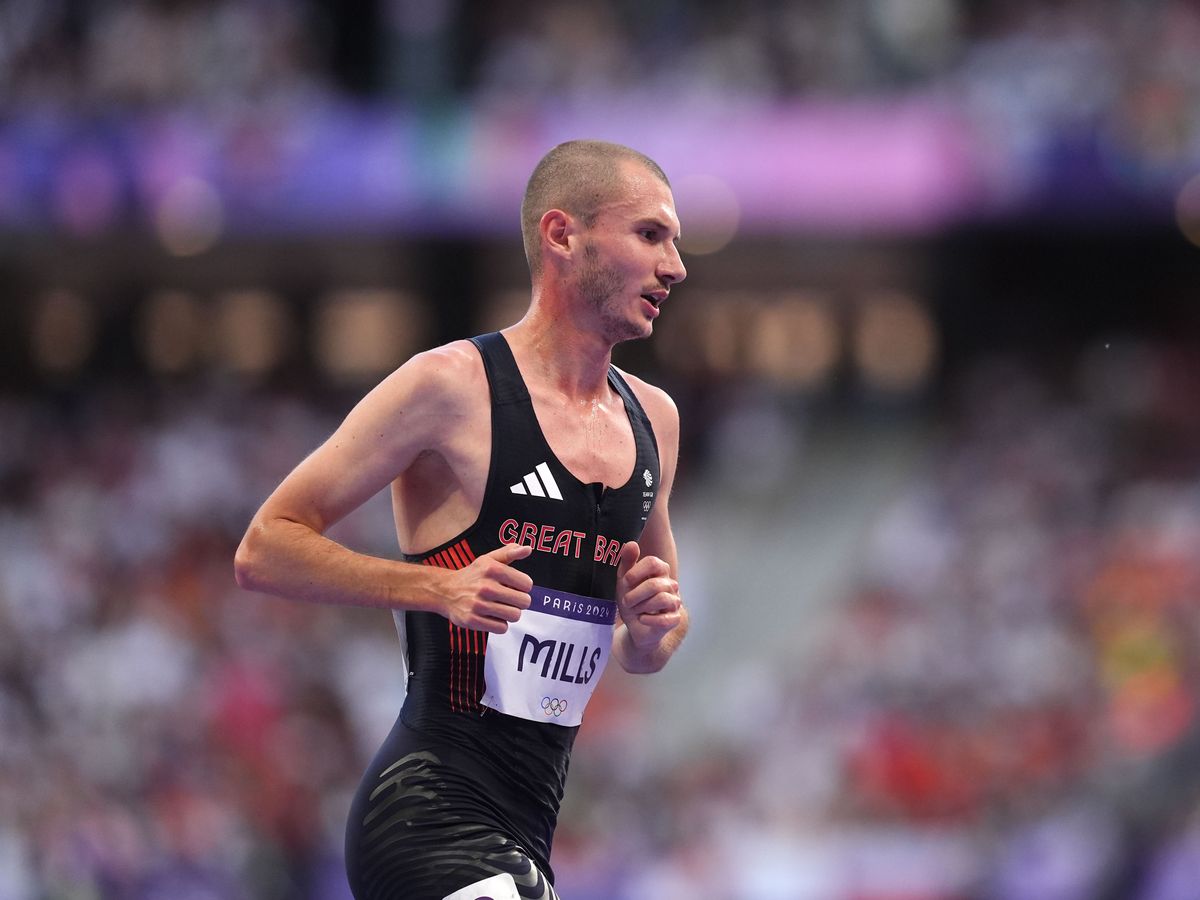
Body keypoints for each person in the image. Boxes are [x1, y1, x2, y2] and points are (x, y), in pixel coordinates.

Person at [234, 139, 689, 900]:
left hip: (527, 832)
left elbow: (655, 641)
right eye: (651, 235)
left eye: (675, 242)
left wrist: (645, 632)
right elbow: (264, 548)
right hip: (425, 814)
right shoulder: (450, 387)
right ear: (562, 235)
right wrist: (434, 590)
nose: (675, 267)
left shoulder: (656, 420)